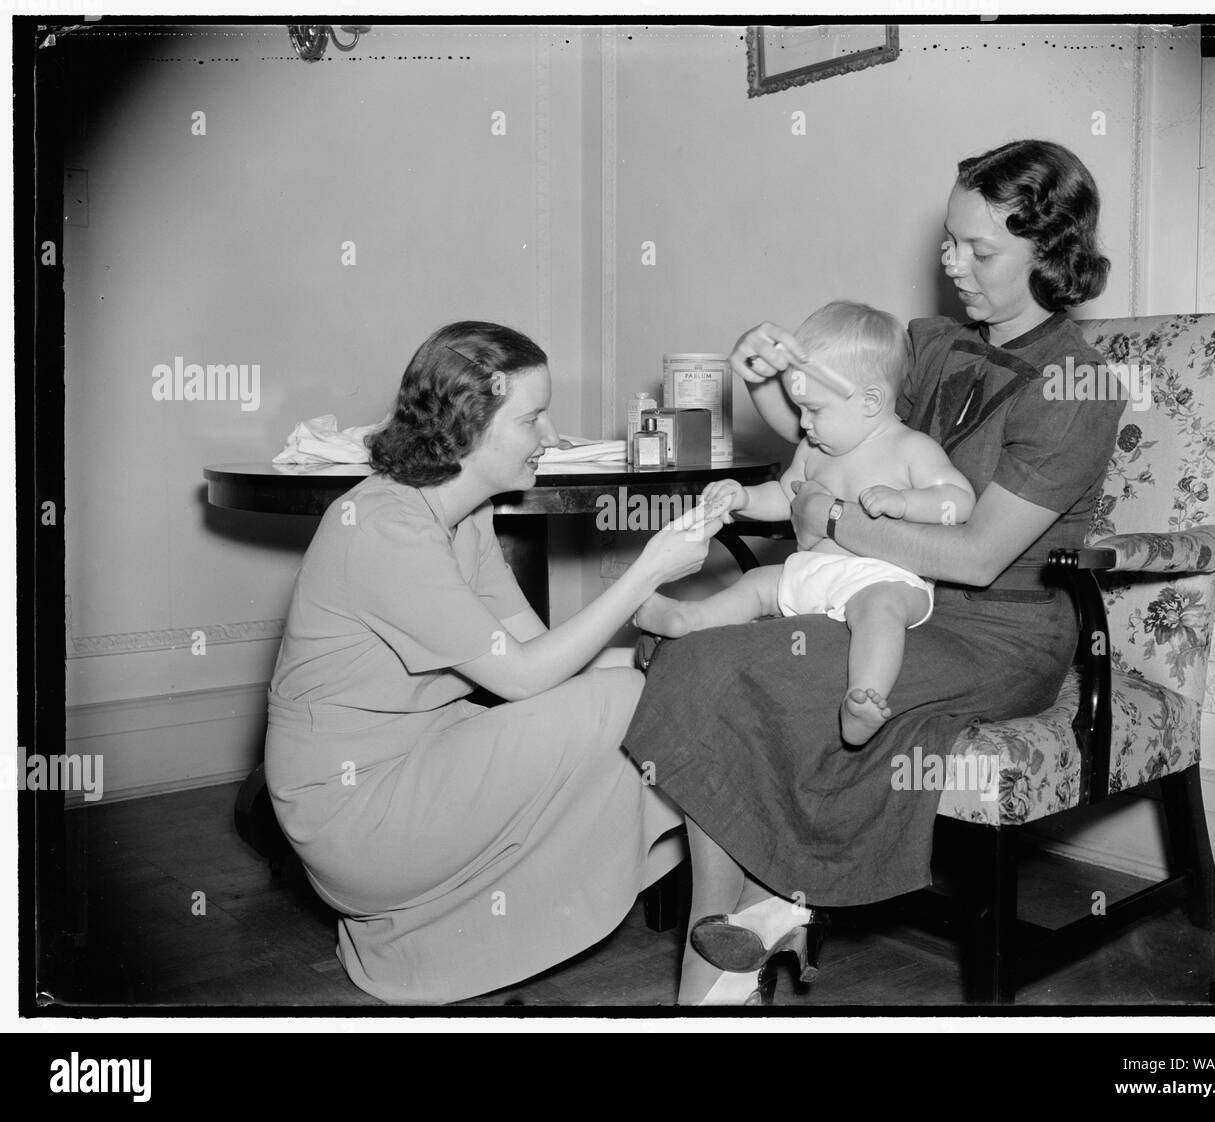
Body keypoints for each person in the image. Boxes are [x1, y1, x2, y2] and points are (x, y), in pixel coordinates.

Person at [621, 138, 1126, 1005]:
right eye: (948, 240)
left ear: (1051, 254)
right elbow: (823, 432)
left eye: (980, 249)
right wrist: (768, 373)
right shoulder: (927, 345)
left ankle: (738, 946)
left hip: (999, 629)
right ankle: (738, 930)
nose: (951, 263)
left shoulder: (1079, 384)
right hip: (874, 593)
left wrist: (834, 519)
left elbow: (974, 554)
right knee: (699, 657)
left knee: (727, 660)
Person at [264, 320, 722, 1004]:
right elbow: (524, 679)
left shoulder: (463, 517)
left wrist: (680, 653)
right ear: (467, 429)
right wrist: (645, 575)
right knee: (629, 700)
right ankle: (718, 939)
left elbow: (539, 661)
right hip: (352, 815)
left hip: (415, 767)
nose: (551, 436)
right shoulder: (385, 529)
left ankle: (726, 926)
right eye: (532, 418)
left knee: (653, 693)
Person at [634, 301, 975, 745]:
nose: (803, 423)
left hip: (882, 577)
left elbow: (959, 501)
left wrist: (905, 501)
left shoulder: (911, 449)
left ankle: (863, 697)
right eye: (800, 409)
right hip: (813, 573)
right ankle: (688, 617)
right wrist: (743, 497)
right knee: (757, 583)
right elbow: (786, 496)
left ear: (871, 400)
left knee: (880, 613)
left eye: (814, 409)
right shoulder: (814, 451)